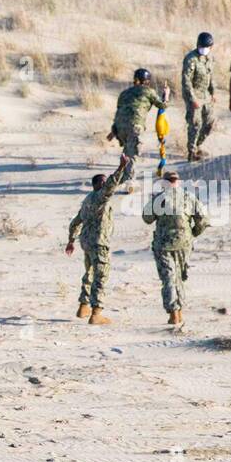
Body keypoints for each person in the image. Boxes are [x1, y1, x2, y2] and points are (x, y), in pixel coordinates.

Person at [65, 154, 131, 325]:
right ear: (96, 186)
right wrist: (121, 167)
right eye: (101, 182)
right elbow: (111, 185)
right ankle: (96, 313)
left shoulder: (87, 200)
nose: (104, 184)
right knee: (101, 276)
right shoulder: (100, 197)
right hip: (98, 243)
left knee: (89, 273)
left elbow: (75, 222)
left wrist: (71, 241)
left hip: (86, 243)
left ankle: (83, 306)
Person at [143, 170, 210, 325]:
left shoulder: (159, 199)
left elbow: (147, 218)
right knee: (179, 277)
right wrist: (193, 233)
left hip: (163, 244)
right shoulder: (189, 197)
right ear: (178, 182)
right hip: (184, 243)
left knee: (168, 277)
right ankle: (179, 311)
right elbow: (204, 219)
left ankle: (174, 312)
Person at [110, 68, 170, 190]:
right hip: (135, 125)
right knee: (133, 153)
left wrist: (113, 130)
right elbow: (163, 105)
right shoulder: (148, 91)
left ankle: (122, 176)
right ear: (147, 81)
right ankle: (129, 182)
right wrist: (166, 94)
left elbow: (119, 110)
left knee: (127, 150)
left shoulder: (124, 93)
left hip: (119, 126)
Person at [181, 33, 217, 161]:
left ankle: (198, 145)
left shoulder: (210, 58)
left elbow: (211, 76)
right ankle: (191, 152)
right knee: (195, 123)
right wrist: (192, 99)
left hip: (205, 95)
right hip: (194, 94)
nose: (204, 49)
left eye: (207, 47)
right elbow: (186, 81)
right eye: (202, 46)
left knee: (210, 122)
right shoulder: (191, 59)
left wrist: (213, 92)